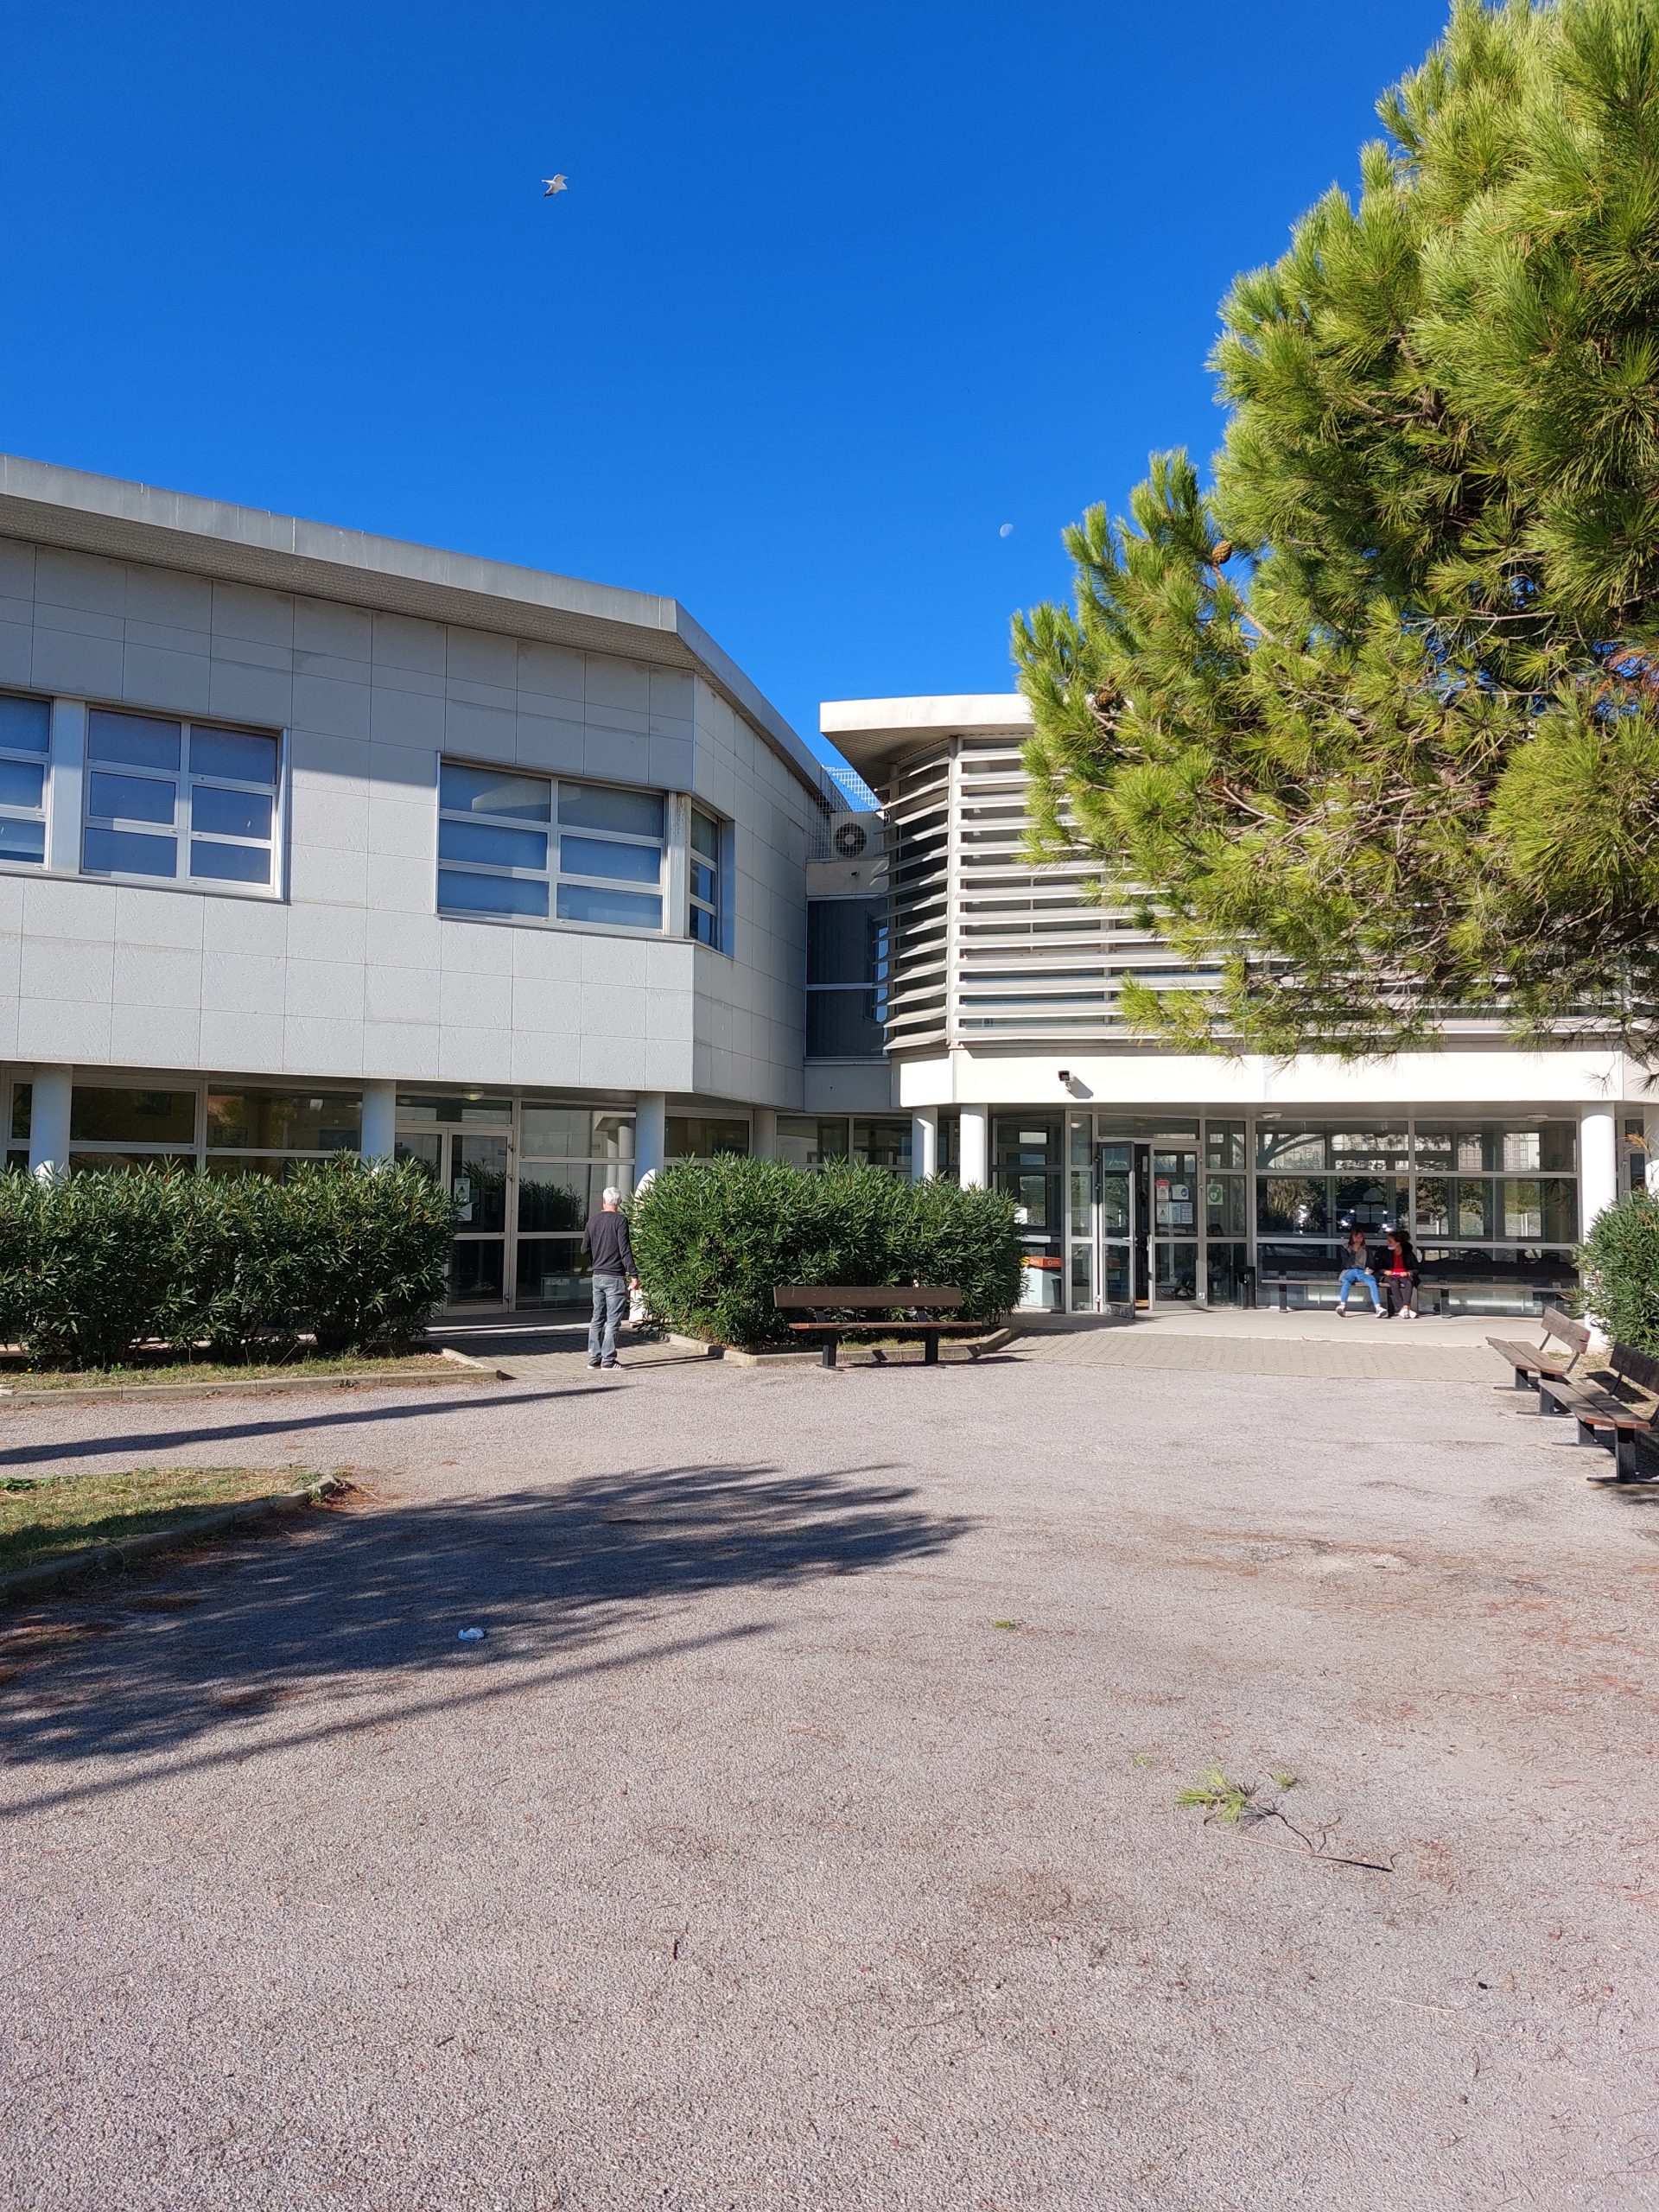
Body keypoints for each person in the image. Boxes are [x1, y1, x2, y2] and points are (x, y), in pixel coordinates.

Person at [581, 1186, 638, 1371]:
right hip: (614, 1276)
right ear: (619, 1203)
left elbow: (584, 1248)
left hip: (597, 1275)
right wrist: (634, 1274)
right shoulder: (621, 1221)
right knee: (613, 1320)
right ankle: (608, 1360)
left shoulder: (593, 1221)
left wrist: (595, 1260)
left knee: (597, 1317)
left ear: (603, 1202)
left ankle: (594, 1358)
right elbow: (625, 1249)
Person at [1335, 1225, 1384, 1318]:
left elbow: (1371, 1263)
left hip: (1362, 1271)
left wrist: (1370, 1269)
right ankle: (1342, 1306)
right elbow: (1345, 1264)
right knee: (1346, 1281)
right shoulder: (1345, 1248)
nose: (1358, 1239)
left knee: (1372, 1281)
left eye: (1361, 1237)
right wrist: (1354, 1251)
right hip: (1349, 1270)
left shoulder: (1367, 1249)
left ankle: (1378, 1307)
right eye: (1356, 1237)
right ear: (1352, 1237)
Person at [1382, 1226, 1421, 1319]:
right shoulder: (1385, 1253)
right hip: (1390, 1275)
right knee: (1393, 1282)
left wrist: (1408, 1272)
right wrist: (1384, 1271)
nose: (1388, 1243)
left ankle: (1405, 1307)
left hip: (1403, 1274)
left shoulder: (1408, 1254)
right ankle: (1404, 1309)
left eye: (1390, 1241)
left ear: (1398, 1243)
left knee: (1408, 1282)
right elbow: (1378, 1266)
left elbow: (1417, 1269)